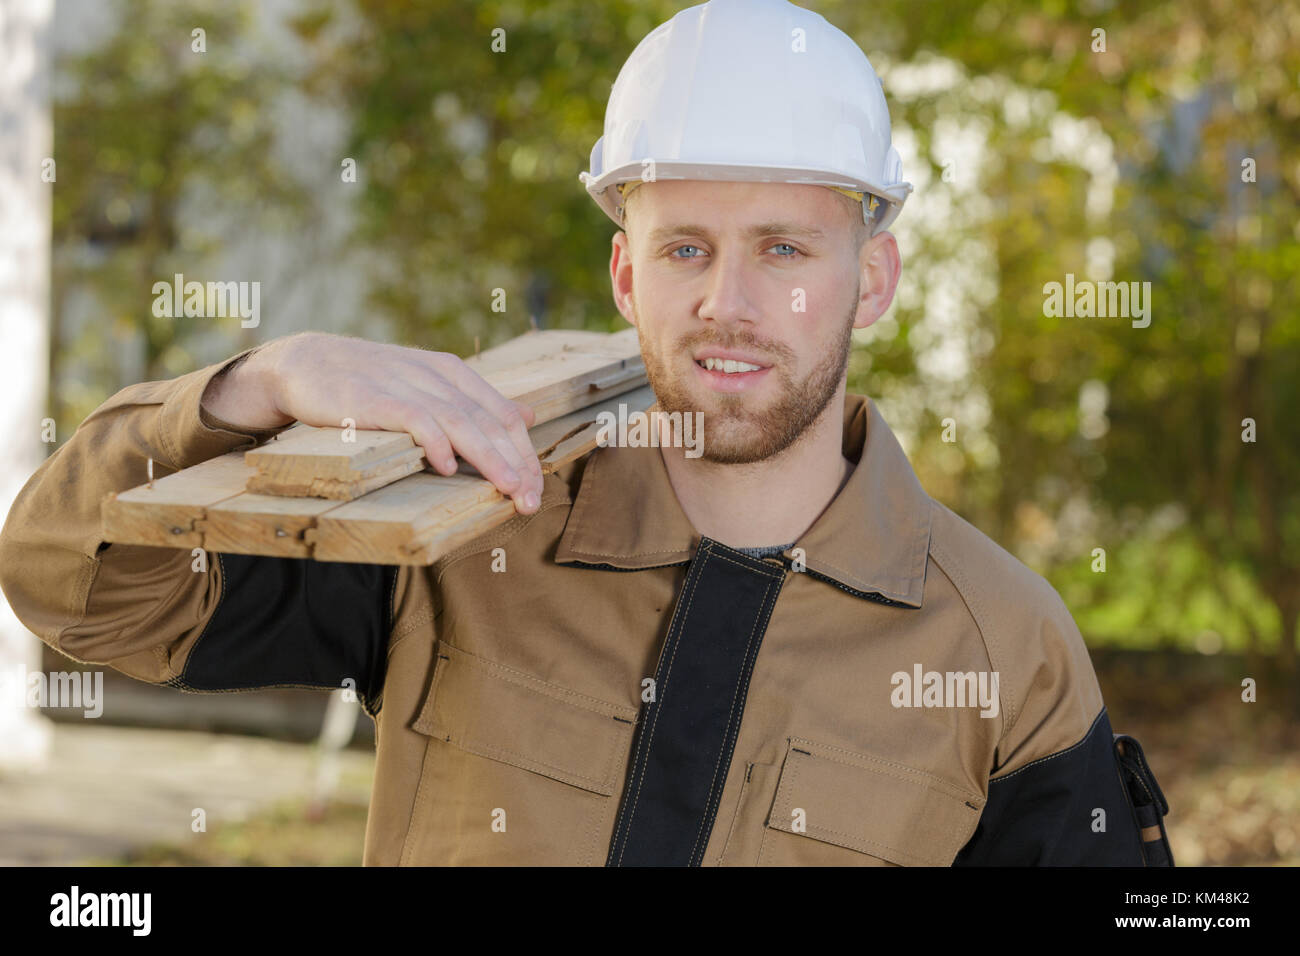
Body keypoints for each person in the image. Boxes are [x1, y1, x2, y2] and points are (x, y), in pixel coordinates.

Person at [0, 0, 1171, 866]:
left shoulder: (1000, 648)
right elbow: (73, 587)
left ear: (872, 281)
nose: (725, 301)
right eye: (683, 247)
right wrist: (251, 384)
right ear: (624, 270)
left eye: (783, 248)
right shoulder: (458, 531)